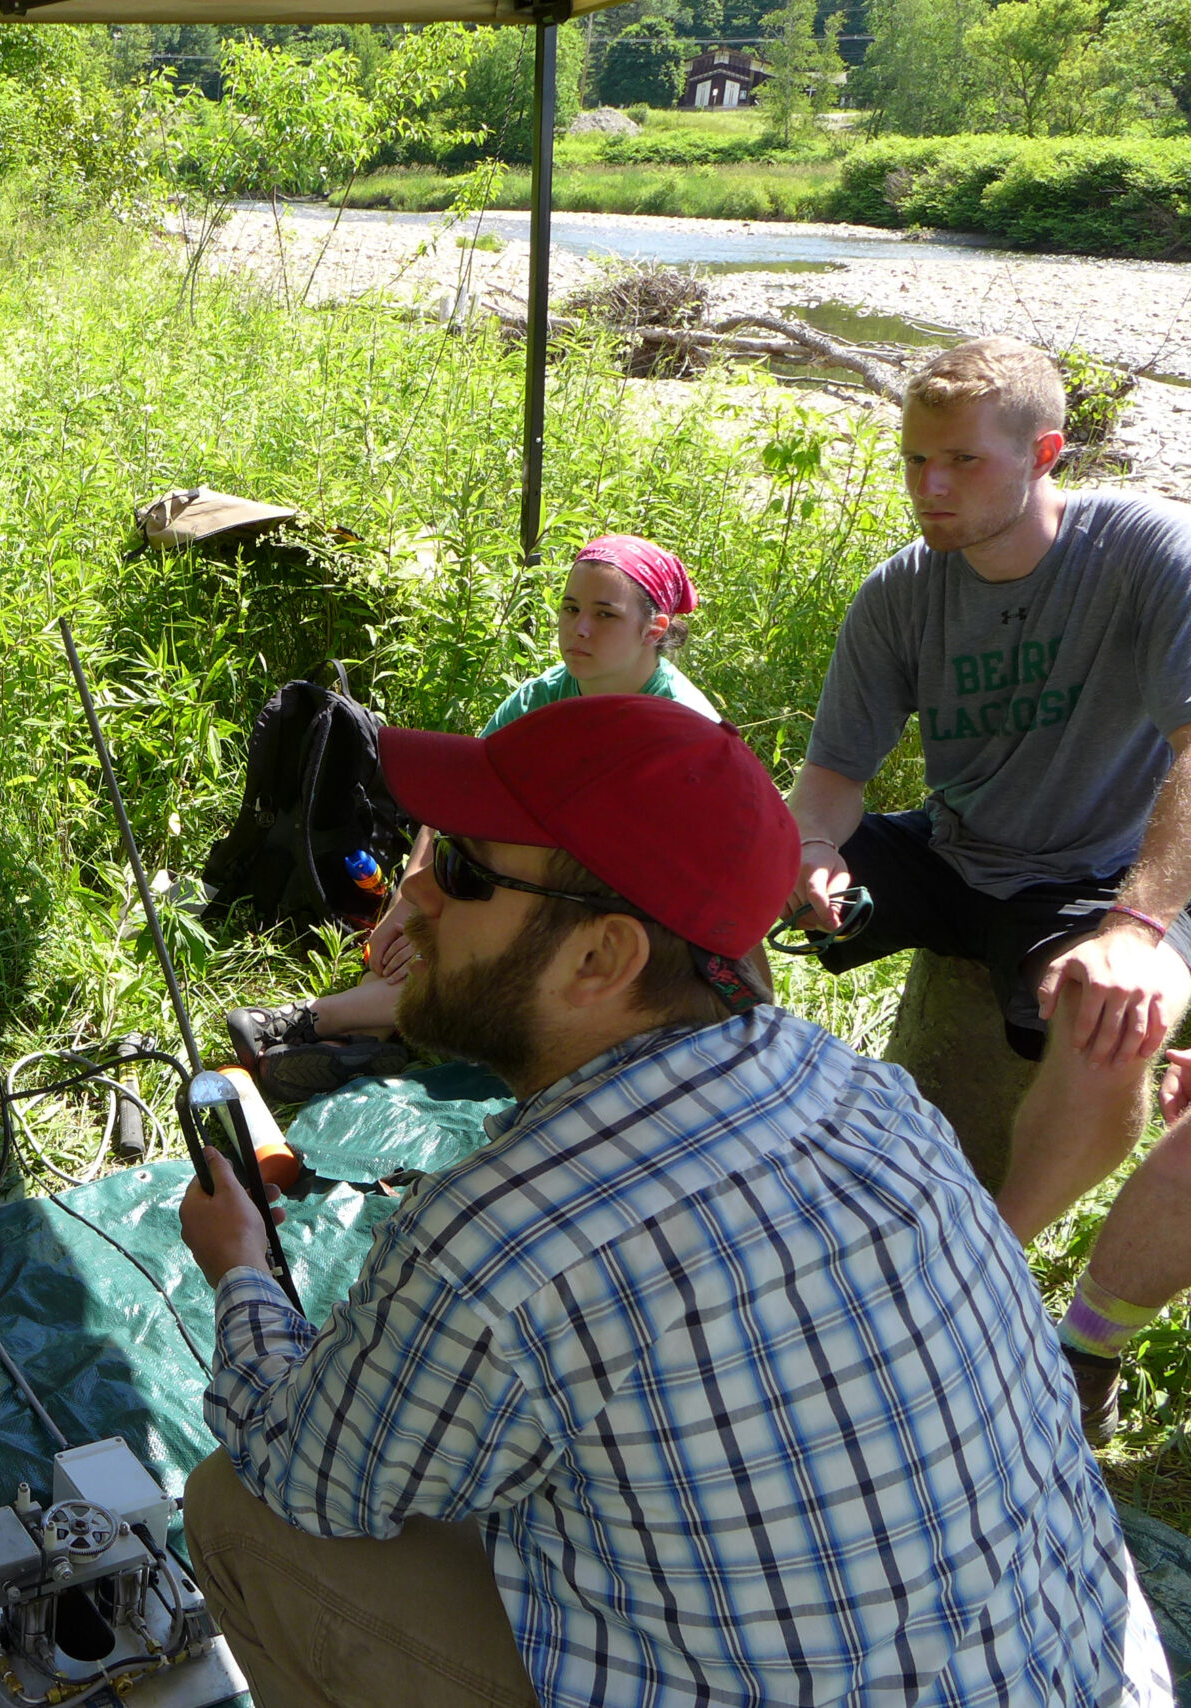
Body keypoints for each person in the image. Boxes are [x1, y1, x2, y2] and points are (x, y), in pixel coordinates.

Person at [176, 694, 1172, 1708]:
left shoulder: (503, 1237)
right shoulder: (865, 1092)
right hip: (1085, 1678)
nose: (415, 889)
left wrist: (242, 1272)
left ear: (602, 958)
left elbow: (307, 1468)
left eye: (466, 871)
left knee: (232, 1505)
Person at [787, 336, 1191, 1443]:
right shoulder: (901, 592)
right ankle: (721, 1176)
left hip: (1096, 873)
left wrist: (1137, 925)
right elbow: (827, 783)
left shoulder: (1142, 550)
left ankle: (981, 1265)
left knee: (1114, 1010)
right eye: (914, 459)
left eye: (960, 461)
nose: (928, 488)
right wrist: (810, 851)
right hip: (956, 852)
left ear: (1043, 454)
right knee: (716, 878)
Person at [226, 535, 718, 1103]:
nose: (579, 629)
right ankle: (367, 1034)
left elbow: (683, 883)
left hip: (623, 927)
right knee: (429, 915)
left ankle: (316, 1019)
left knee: (501, 934)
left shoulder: (683, 729)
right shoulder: (541, 698)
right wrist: (409, 900)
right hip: (521, 881)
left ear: (652, 629)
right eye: (570, 608)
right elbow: (455, 808)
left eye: (604, 615)